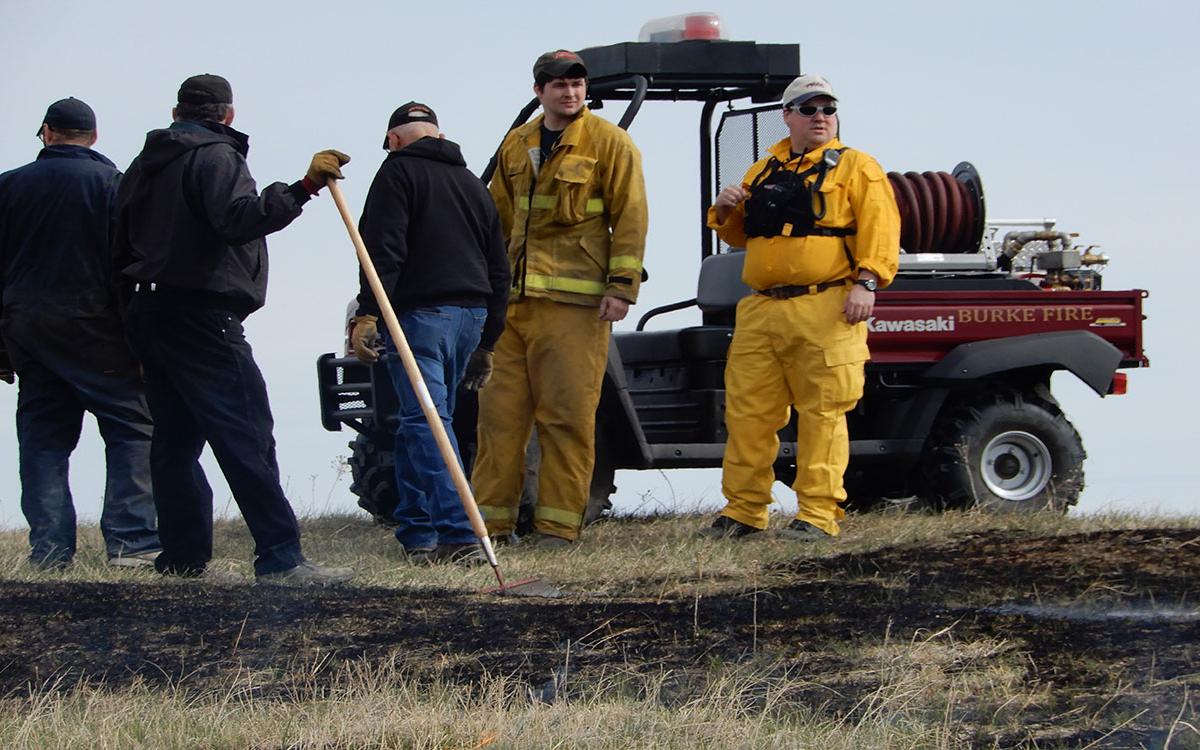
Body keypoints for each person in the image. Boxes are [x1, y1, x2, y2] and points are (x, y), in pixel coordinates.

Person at [112, 74, 354, 584]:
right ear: (228, 114)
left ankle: (182, 560)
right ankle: (281, 557)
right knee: (245, 431)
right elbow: (239, 220)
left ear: (176, 110)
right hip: (201, 313)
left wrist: (126, 322)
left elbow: (116, 247)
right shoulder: (216, 156)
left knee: (174, 439)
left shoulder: (141, 166)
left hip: (148, 312)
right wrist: (304, 188)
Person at [700, 74, 900, 542]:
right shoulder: (765, 168)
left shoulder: (858, 167)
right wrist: (725, 210)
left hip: (826, 305)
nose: (821, 117)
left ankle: (818, 513)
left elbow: (882, 231)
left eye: (828, 109)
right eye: (808, 109)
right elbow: (741, 235)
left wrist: (866, 282)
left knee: (823, 413)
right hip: (762, 309)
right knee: (748, 413)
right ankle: (744, 511)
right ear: (787, 116)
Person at [473, 49, 648, 548]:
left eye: (577, 83)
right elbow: (496, 220)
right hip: (511, 306)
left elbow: (631, 218)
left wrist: (621, 288)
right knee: (499, 419)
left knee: (567, 418)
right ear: (539, 91)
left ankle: (556, 528)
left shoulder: (610, 144)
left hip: (577, 307)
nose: (570, 92)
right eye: (558, 84)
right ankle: (492, 527)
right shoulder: (517, 143)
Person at [0, 97, 160, 570]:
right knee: (132, 428)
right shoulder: (114, 186)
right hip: (98, 327)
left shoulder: (8, 188)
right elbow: (134, 263)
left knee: (43, 437)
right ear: (93, 137)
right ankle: (132, 544)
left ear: (47, 132)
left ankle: (49, 551)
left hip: (27, 327)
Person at [348, 102, 509, 565]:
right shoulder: (473, 186)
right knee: (420, 423)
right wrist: (487, 341)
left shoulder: (396, 174)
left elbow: (382, 251)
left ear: (395, 140)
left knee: (427, 424)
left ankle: (459, 535)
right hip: (470, 318)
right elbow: (500, 266)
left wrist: (368, 313)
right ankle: (417, 531)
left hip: (420, 318)